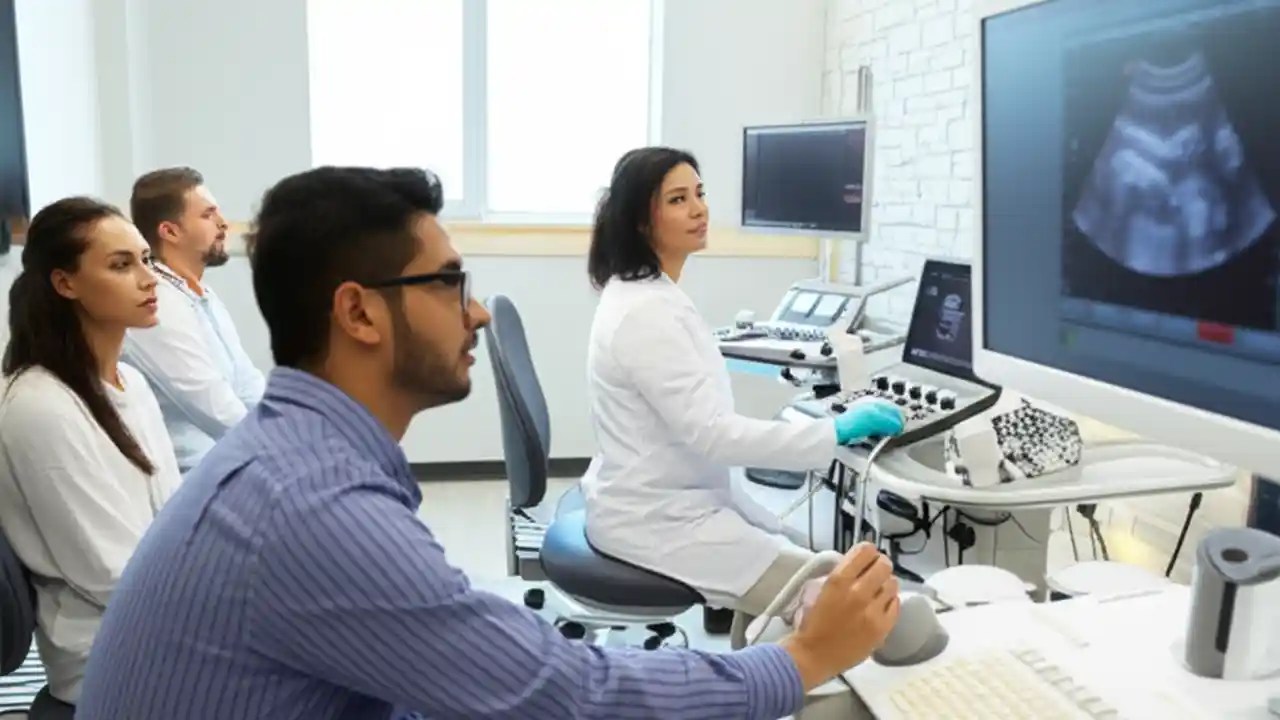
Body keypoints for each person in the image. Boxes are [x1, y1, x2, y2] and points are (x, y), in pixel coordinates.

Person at [76, 166, 901, 719]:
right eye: (449, 285)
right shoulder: (314, 508)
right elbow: (567, 693)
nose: (474, 312)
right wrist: (798, 659)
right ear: (359, 313)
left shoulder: (297, 456)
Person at [582, 146, 906, 648]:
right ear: (642, 221)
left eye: (700, 193)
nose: (699, 209)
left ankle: (756, 670)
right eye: (677, 199)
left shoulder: (648, 294)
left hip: (672, 501)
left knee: (805, 553)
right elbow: (715, 435)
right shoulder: (645, 313)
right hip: (658, 523)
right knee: (853, 598)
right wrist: (833, 431)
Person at [0, 197, 182, 706]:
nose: (149, 279)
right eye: (122, 265)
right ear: (65, 283)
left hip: (160, 626)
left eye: (147, 259)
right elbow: (110, 573)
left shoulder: (132, 384)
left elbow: (174, 520)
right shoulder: (39, 405)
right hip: (109, 657)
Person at [122, 167, 266, 471]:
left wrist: (293, 432)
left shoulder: (201, 294)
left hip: (229, 467)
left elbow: (247, 384)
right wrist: (286, 452)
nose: (223, 224)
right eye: (208, 215)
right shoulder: (156, 301)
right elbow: (214, 407)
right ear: (170, 231)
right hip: (191, 482)